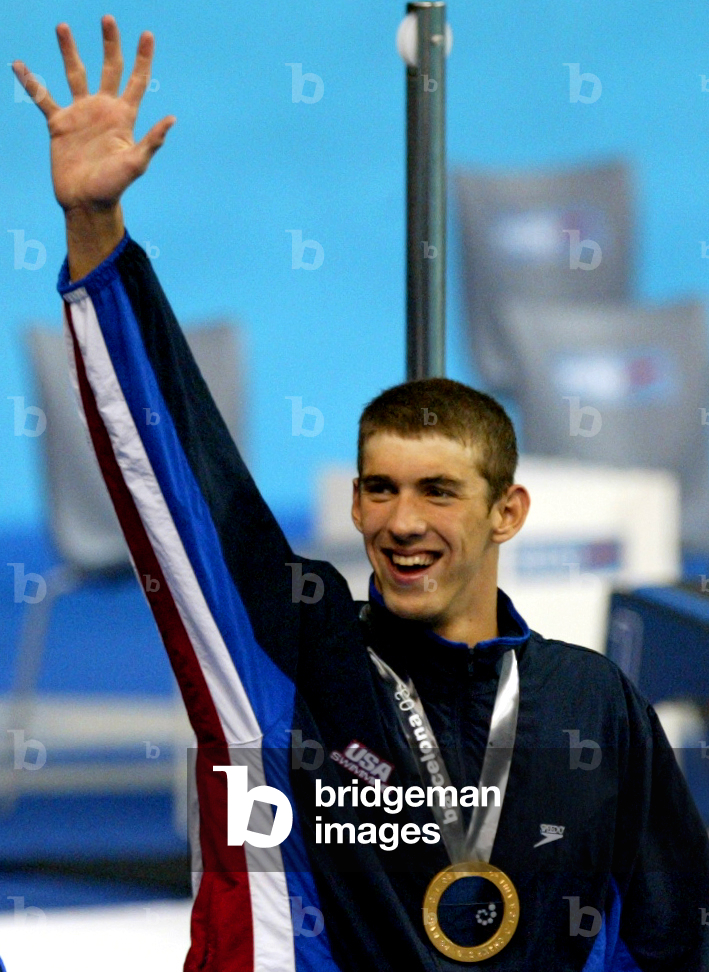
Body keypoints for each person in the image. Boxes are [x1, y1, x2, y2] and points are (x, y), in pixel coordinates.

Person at [13, 16, 709, 972]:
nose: (400, 521)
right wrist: (95, 230)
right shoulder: (289, 659)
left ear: (507, 512)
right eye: (377, 489)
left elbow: (673, 937)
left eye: (437, 491)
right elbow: (177, 478)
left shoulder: (588, 704)